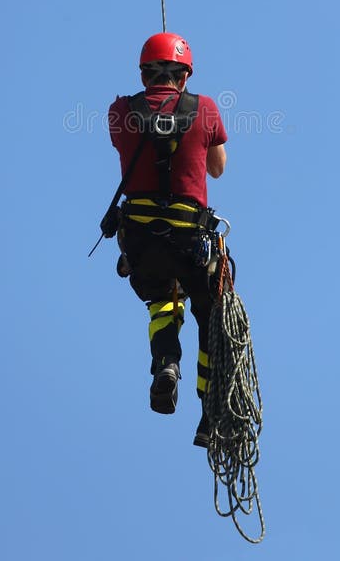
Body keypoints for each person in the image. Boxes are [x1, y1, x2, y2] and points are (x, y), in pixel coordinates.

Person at [108, 32, 227, 447]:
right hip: (189, 240)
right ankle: (210, 413)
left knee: (162, 301)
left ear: (143, 73)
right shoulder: (205, 108)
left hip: (141, 243)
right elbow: (217, 169)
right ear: (185, 74)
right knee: (210, 317)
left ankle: (166, 364)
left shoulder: (120, 112)